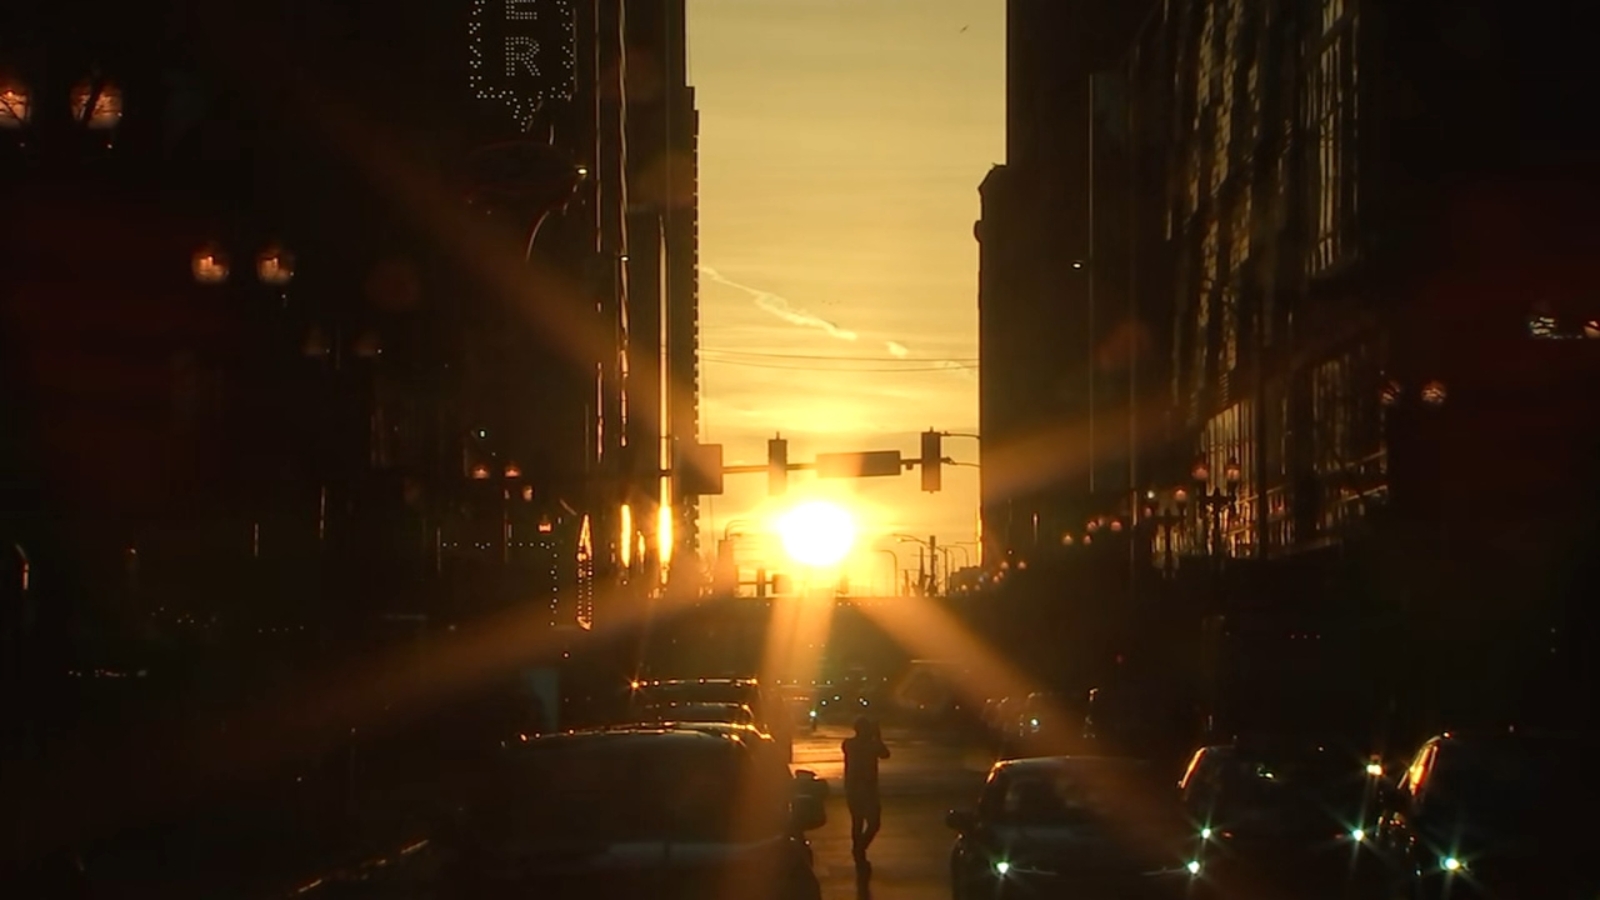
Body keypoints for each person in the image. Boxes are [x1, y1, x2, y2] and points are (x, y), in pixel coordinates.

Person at [842, 715, 890, 864]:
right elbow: (885, 753)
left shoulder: (848, 744)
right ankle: (860, 848)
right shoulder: (864, 745)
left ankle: (858, 848)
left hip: (855, 787)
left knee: (858, 821)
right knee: (871, 822)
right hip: (865, 788)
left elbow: (884, 754)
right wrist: (877, 736)